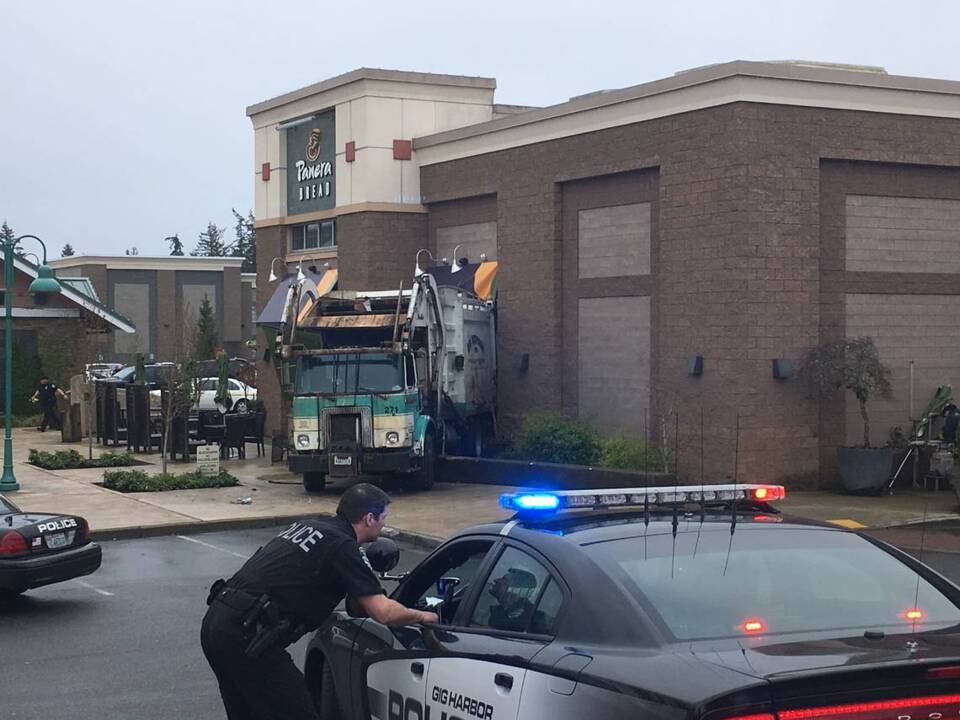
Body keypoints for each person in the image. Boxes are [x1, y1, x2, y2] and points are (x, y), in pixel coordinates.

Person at [201, 483, 438, 720]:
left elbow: (354, 604)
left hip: (217, 622)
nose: (385, 524)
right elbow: (383, 612)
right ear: (369, 518)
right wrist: (423, 616)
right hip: (247, 636)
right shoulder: (344, 546)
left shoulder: (310, 526)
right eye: (383, 517)